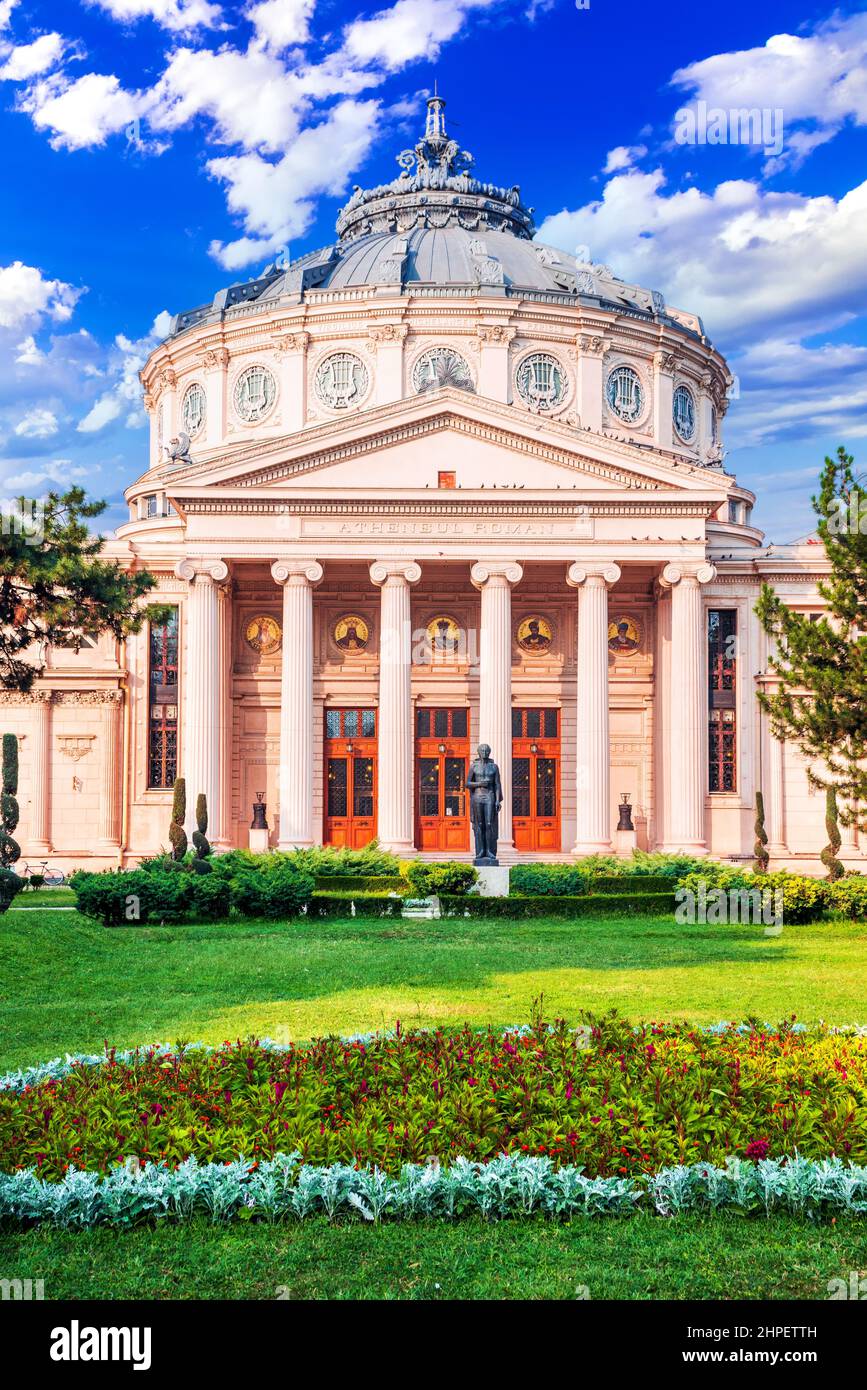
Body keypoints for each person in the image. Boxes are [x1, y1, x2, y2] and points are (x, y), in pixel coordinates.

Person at [466, 743, 503, 864]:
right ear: (478, 752)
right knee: (480, 824)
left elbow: (497, 784)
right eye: (482, 750)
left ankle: (489, 851)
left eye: (487, 750)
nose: (485, 752)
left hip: (490, 796)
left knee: (489, 824)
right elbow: (467, 784)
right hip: (477, 796)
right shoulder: (474, 766)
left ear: (489, 752)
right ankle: (480, 851)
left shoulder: (494, 767)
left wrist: (497, 800)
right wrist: (479, 784)